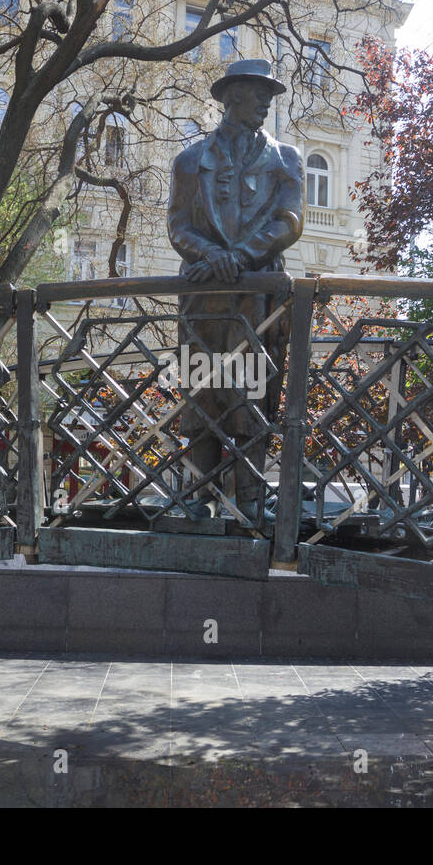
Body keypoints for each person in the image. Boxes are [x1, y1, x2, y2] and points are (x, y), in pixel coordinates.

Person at [166, 59, 304, 525]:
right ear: (231, 96)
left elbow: (290, 220)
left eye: (270, 94)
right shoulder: (189, 160)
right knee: (201, 392)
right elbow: (179, 227)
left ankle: (250, 499)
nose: (267, 101)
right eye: (258, 92)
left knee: (254, 393)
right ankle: (197, 496)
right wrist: (211, 255)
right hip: (204, 295)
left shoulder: (287, 158)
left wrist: (241, 257)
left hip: (257, 296)